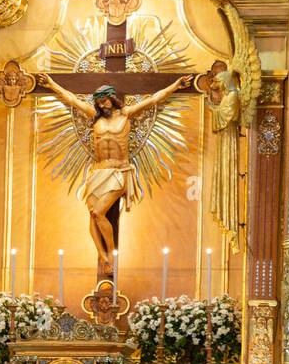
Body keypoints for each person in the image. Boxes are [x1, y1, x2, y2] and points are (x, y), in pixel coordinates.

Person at [34, 72, 192, 273]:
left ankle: (111, 252)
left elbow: (153, 99)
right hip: (98, 171)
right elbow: (72, 100)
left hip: (119, 171)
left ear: (112, 98)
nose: (102, 105)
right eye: (99, 102)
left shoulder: (126, 114)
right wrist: (52, 84)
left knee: (98, 211)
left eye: (105, 101)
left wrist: (175, 86)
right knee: (93, 214)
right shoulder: (94, 116)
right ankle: (102, 255)